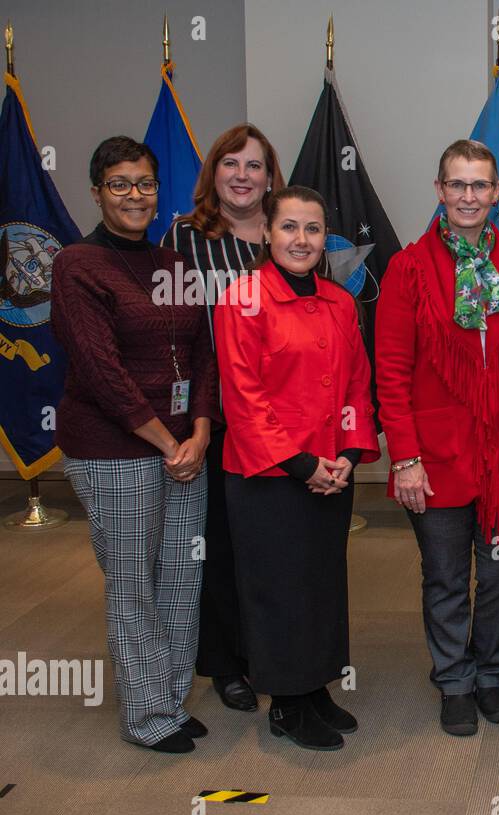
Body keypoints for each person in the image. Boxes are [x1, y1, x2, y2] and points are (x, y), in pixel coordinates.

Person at [52, 136, 218, 753]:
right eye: (119, 184)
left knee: (181, 573)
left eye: (144, 183)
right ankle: (146, 715)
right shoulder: (77, 264)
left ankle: (170, 697)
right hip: (113, 448)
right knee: (132, 581)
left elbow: (203, 355)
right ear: (97, 192)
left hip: (183, 446)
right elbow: (101, 370)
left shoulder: (175, 265)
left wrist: (198, 430)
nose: (134, 195)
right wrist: (164, 439)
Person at [375, 140, 499, 737]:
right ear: (440, 190)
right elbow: (390, 372)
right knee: (445, 575)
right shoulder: (409, 268)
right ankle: (454, 679)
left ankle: (491, 673)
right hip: (436, 457)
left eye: (481, 185)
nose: (469, 197)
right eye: (457, 185)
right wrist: (405, 459)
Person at [214, 185, 380, 751]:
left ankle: (314, 689)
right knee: (278, 588)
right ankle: (286, 703)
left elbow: (359, 383)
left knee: (321, 584)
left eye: (312, 229)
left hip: (332, 469)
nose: (301, 240)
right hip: (269, 477)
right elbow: (244, 400)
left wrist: (349, 456)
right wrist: (303, 464)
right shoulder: (242, 299)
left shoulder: (340, 302)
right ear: (266, 232)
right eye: (289, 227)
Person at [161, 123, 285, 714]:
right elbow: (173, 333)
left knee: (270, 544)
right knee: (216, 545)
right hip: (214, 413)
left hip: (281, 417)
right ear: (213, 172)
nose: (242, 174)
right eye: (231, 163)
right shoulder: (186, 238)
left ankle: (270, 653)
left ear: (270, 176)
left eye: (254, 165)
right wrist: (197, 415)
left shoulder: (287, 234)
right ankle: (225, 664)